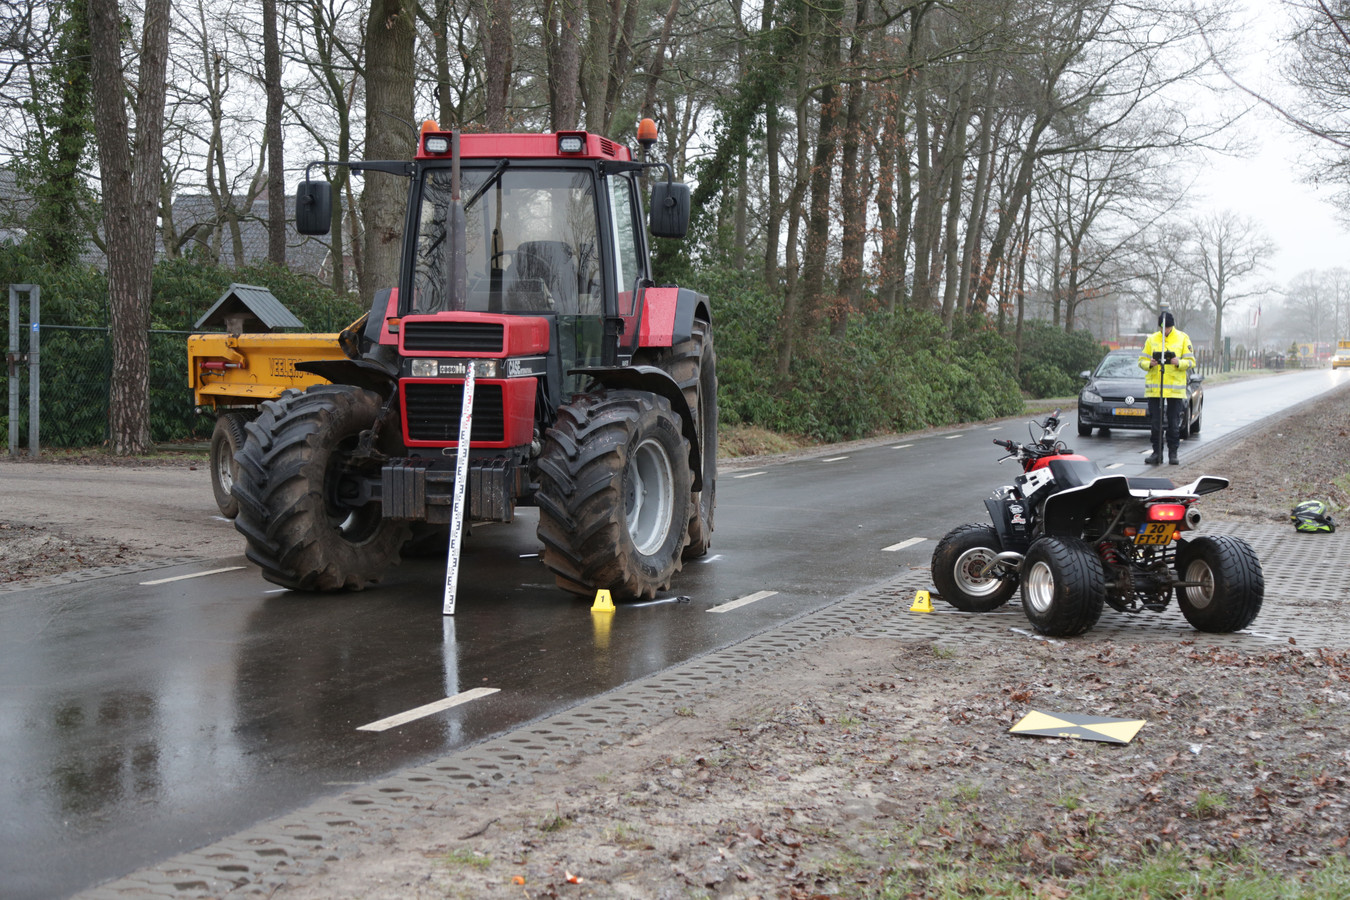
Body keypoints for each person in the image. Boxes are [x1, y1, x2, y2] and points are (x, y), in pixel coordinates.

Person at [1137, 310, 1195, 465]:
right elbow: (1141, 361)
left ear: (1172, 326)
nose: (1165, 332)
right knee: (1156, 424)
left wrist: (1179, 363)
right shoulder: (1151, 340)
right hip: (1155, 389)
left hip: (1175, 390)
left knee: (1173, 424)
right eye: (1162, 329)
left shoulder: (1183, 338)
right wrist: (1149, 363)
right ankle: (1157, 453)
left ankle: (1173, 454)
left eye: (1167, 329)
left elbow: (1191, 362)